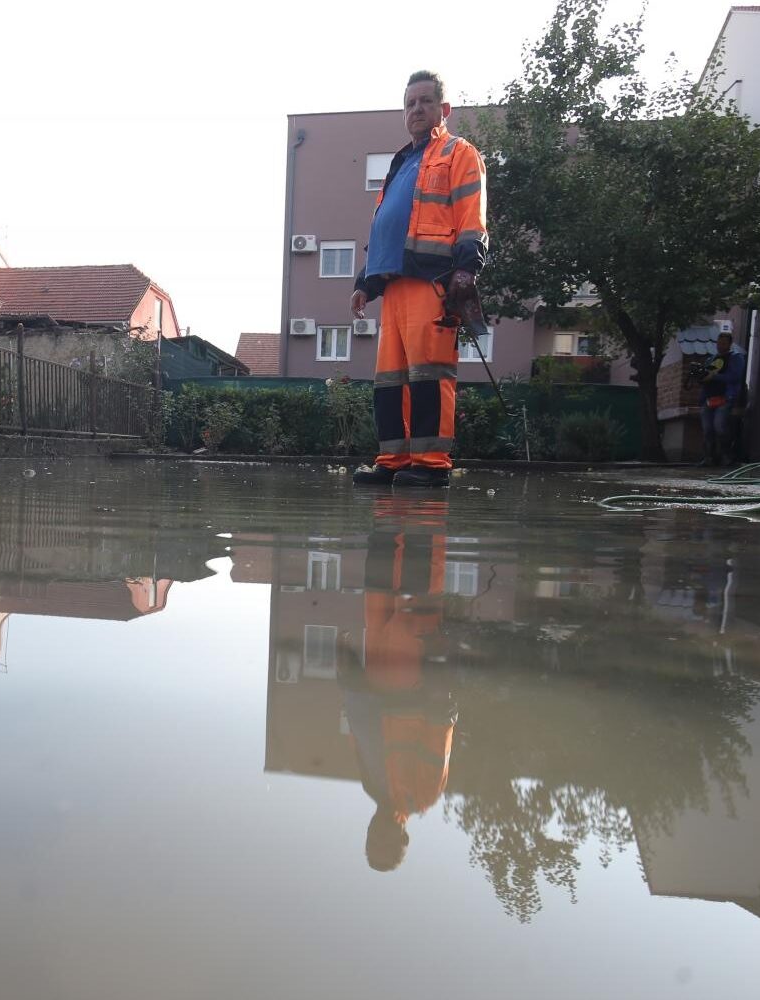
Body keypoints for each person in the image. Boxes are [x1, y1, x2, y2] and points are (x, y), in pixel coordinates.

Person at [350, 70, 488, 489]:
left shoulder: (458, 153)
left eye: (425, 102)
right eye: (410, 103)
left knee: (429, 372)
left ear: (443, 110)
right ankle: (393, 460)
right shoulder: (398, 164)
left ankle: (430, 463)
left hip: (434, 281)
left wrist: (466, 269)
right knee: (390, 380)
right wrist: (365, 282)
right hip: (393, 285)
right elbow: (383, 228)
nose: (416, 110)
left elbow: (470, 215)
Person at [340, 499, 459, 871]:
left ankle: (389, 507)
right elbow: (440, 735)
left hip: (376, 662)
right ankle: (426, 508)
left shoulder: (369, 787)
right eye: (384, 842)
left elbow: (362, 730)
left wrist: (347, 672)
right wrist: (440, 676)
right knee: (419, 573)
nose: (377, 833)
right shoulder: (422, 795)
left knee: (379, 568)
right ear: (402, 838)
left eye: (371, 840)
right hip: (410, 678)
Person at [699, 332, 747, 467]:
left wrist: (713, 377)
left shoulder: (736, 358)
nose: (720, 346)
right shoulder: (711, 359)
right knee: (707, 429)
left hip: (725, 398)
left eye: (723, 344)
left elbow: (735, 377)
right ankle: (708, 457)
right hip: (708, 398)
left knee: (719, 426)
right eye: (719, 343)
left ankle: (726, 455)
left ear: (730, 344)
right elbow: (704, 377)